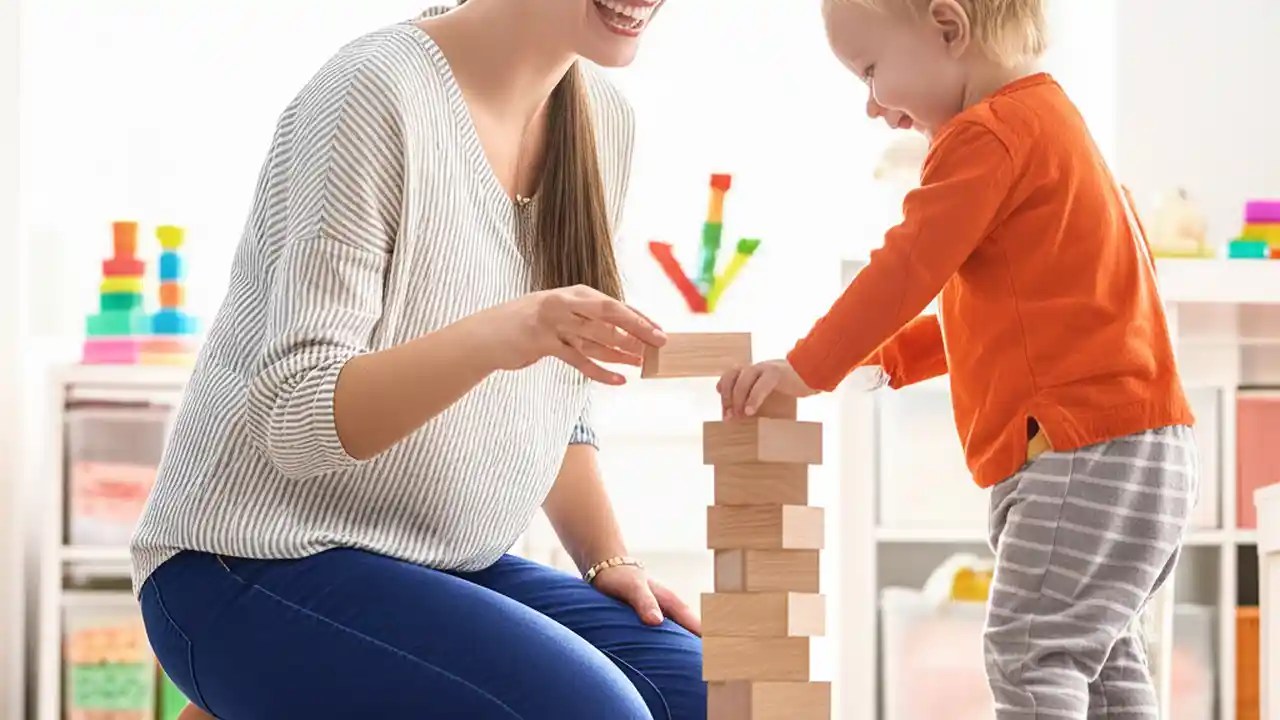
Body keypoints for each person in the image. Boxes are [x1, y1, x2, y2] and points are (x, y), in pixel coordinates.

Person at [129, 1, 707, 718]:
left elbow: (560, 401)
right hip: (247, 561)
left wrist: (609, 560)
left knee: (716, 695)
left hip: (439, 566)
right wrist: (502, 334)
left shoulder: (603, 125)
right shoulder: (375, 93)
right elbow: (296, 418)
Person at [718, 1, 1198, 718]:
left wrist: (808, 365)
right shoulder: (1055, 128)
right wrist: (881, 360)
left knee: (1030, 653)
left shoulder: (989, 136)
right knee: (1099, 660)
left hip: (1083, 452)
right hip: (1148, 452)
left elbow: (909, 265)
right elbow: (1010, 309)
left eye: (872, 72)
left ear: (948, 27)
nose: (873, 109)